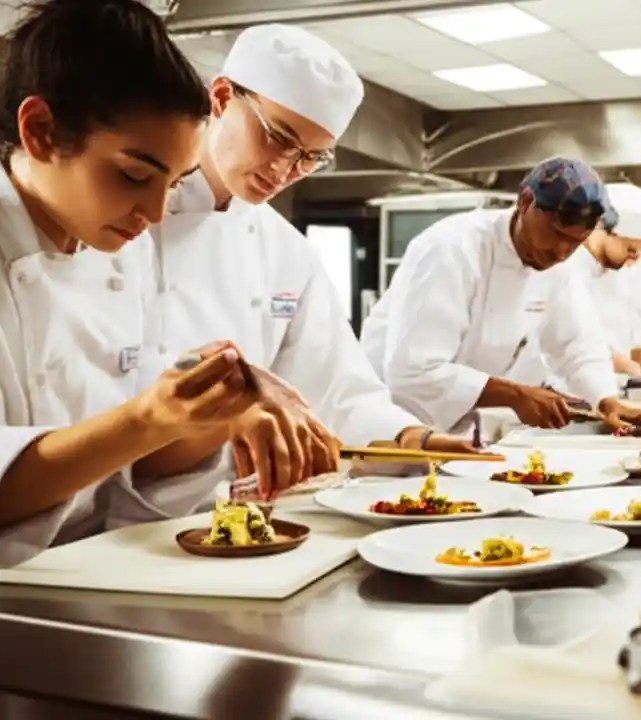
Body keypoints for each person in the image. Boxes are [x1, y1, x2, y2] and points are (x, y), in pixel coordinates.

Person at [0, 0, 255, 580]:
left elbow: (127, 466)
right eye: (134, 175)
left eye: (174, 183)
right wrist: (147, 419)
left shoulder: (118, 248)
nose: (154, 214)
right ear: (40, 131)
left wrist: (212, 413)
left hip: (81, 575)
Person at [143, 24, 473, 503]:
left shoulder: (285, 248)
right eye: (276, 137)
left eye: (310, 158)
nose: (283, 170)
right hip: (127, 516)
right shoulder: (128, 220)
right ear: (220, 98)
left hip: (246, 508)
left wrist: (410, 438)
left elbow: (339, 387)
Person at [360, 156, 641, 435]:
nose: (562, 252)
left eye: (575, 243)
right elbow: (413, 371)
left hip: (455, 428)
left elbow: (576, 345)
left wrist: (607, 401)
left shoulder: (559, 266)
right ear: (526, 202)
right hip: (393, 427)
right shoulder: (452, 249)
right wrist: (516, 395)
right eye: (558, 234)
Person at [520, 182, 641, 388]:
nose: (635, 260)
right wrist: (635, 370)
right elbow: (574, 343)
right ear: (603, 230)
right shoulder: (562, 267)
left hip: (614, 391)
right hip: (566, 393)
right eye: (631, 250)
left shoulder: (618, 270)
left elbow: (637, 328)